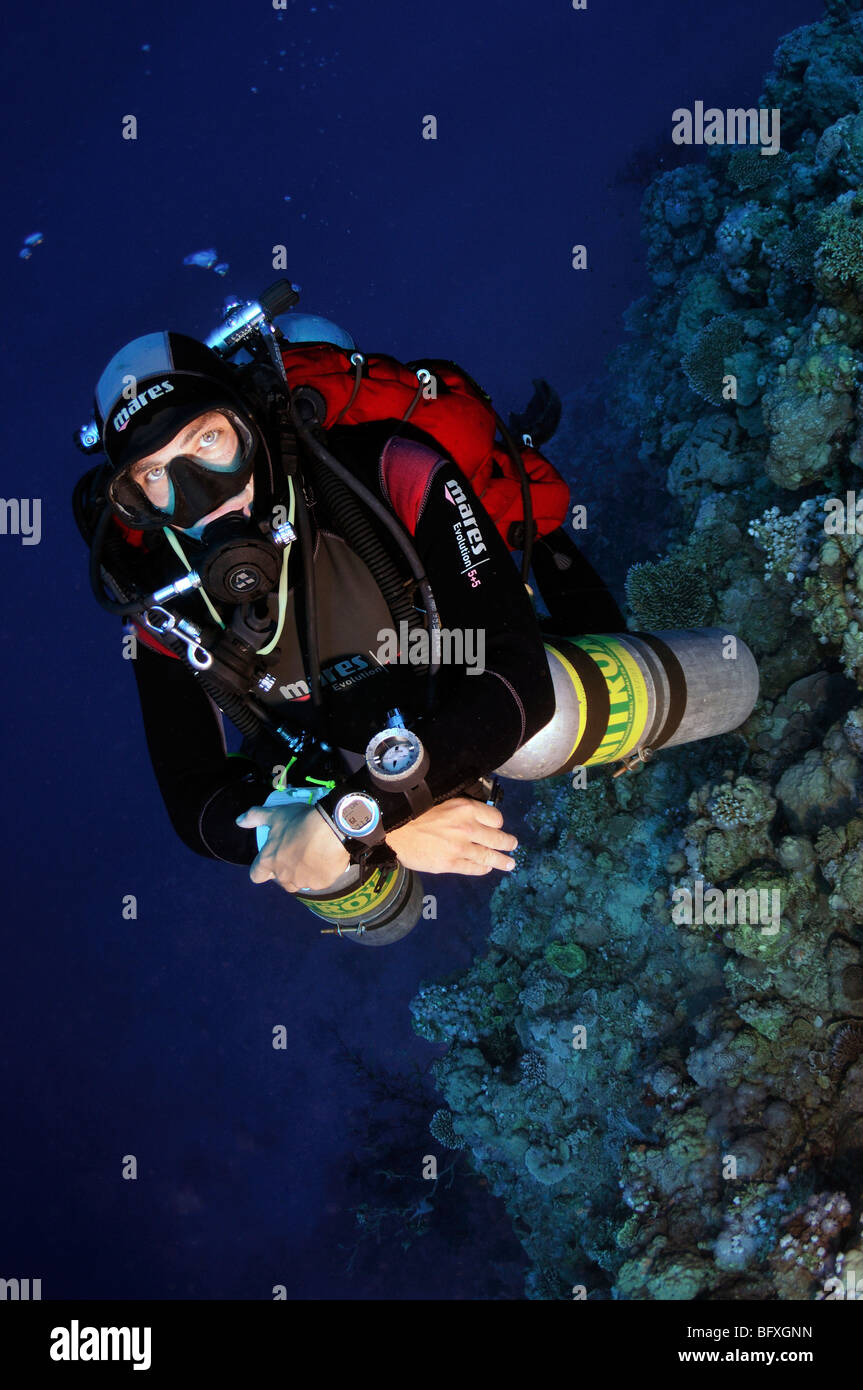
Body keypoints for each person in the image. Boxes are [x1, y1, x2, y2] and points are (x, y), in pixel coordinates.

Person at [73, 321, 626, 907]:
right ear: (133, 500)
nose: (200, 493)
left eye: (208, 439)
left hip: (454, 678)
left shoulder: (392, 470)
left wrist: (347, 824)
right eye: (156, 474)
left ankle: (526, 491)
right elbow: (194, 800)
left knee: (558, 721)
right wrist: (372, 826)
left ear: (251, 423)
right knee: (334, 883)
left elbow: (522, 681)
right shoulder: (162, 603)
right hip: (338, 752)